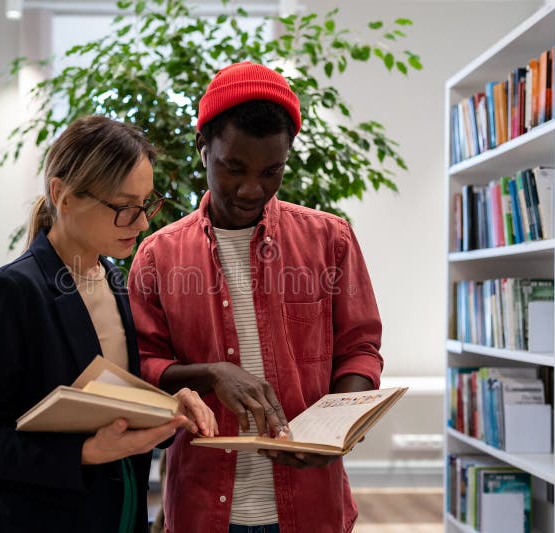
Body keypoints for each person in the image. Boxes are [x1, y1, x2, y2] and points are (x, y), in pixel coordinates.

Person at [128, 62, 384, 533]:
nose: (252, 189)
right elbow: (142, 368)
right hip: (203, 509)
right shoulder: (157, 256)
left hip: (311, 507)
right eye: (233, 168)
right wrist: (211, 373)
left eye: (272, 171)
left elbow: (360, 352)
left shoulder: (331, 240)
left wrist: (335, 431)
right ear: (203, 149)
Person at [0, 115, 218, 533]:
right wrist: (84, 452)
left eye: (147, 204)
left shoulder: (113, 279)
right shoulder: (12, 291)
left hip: (118, 511)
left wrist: (166, 409)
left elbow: (111, 401)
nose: (144, 223)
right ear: (63, 195)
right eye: (125, 208)